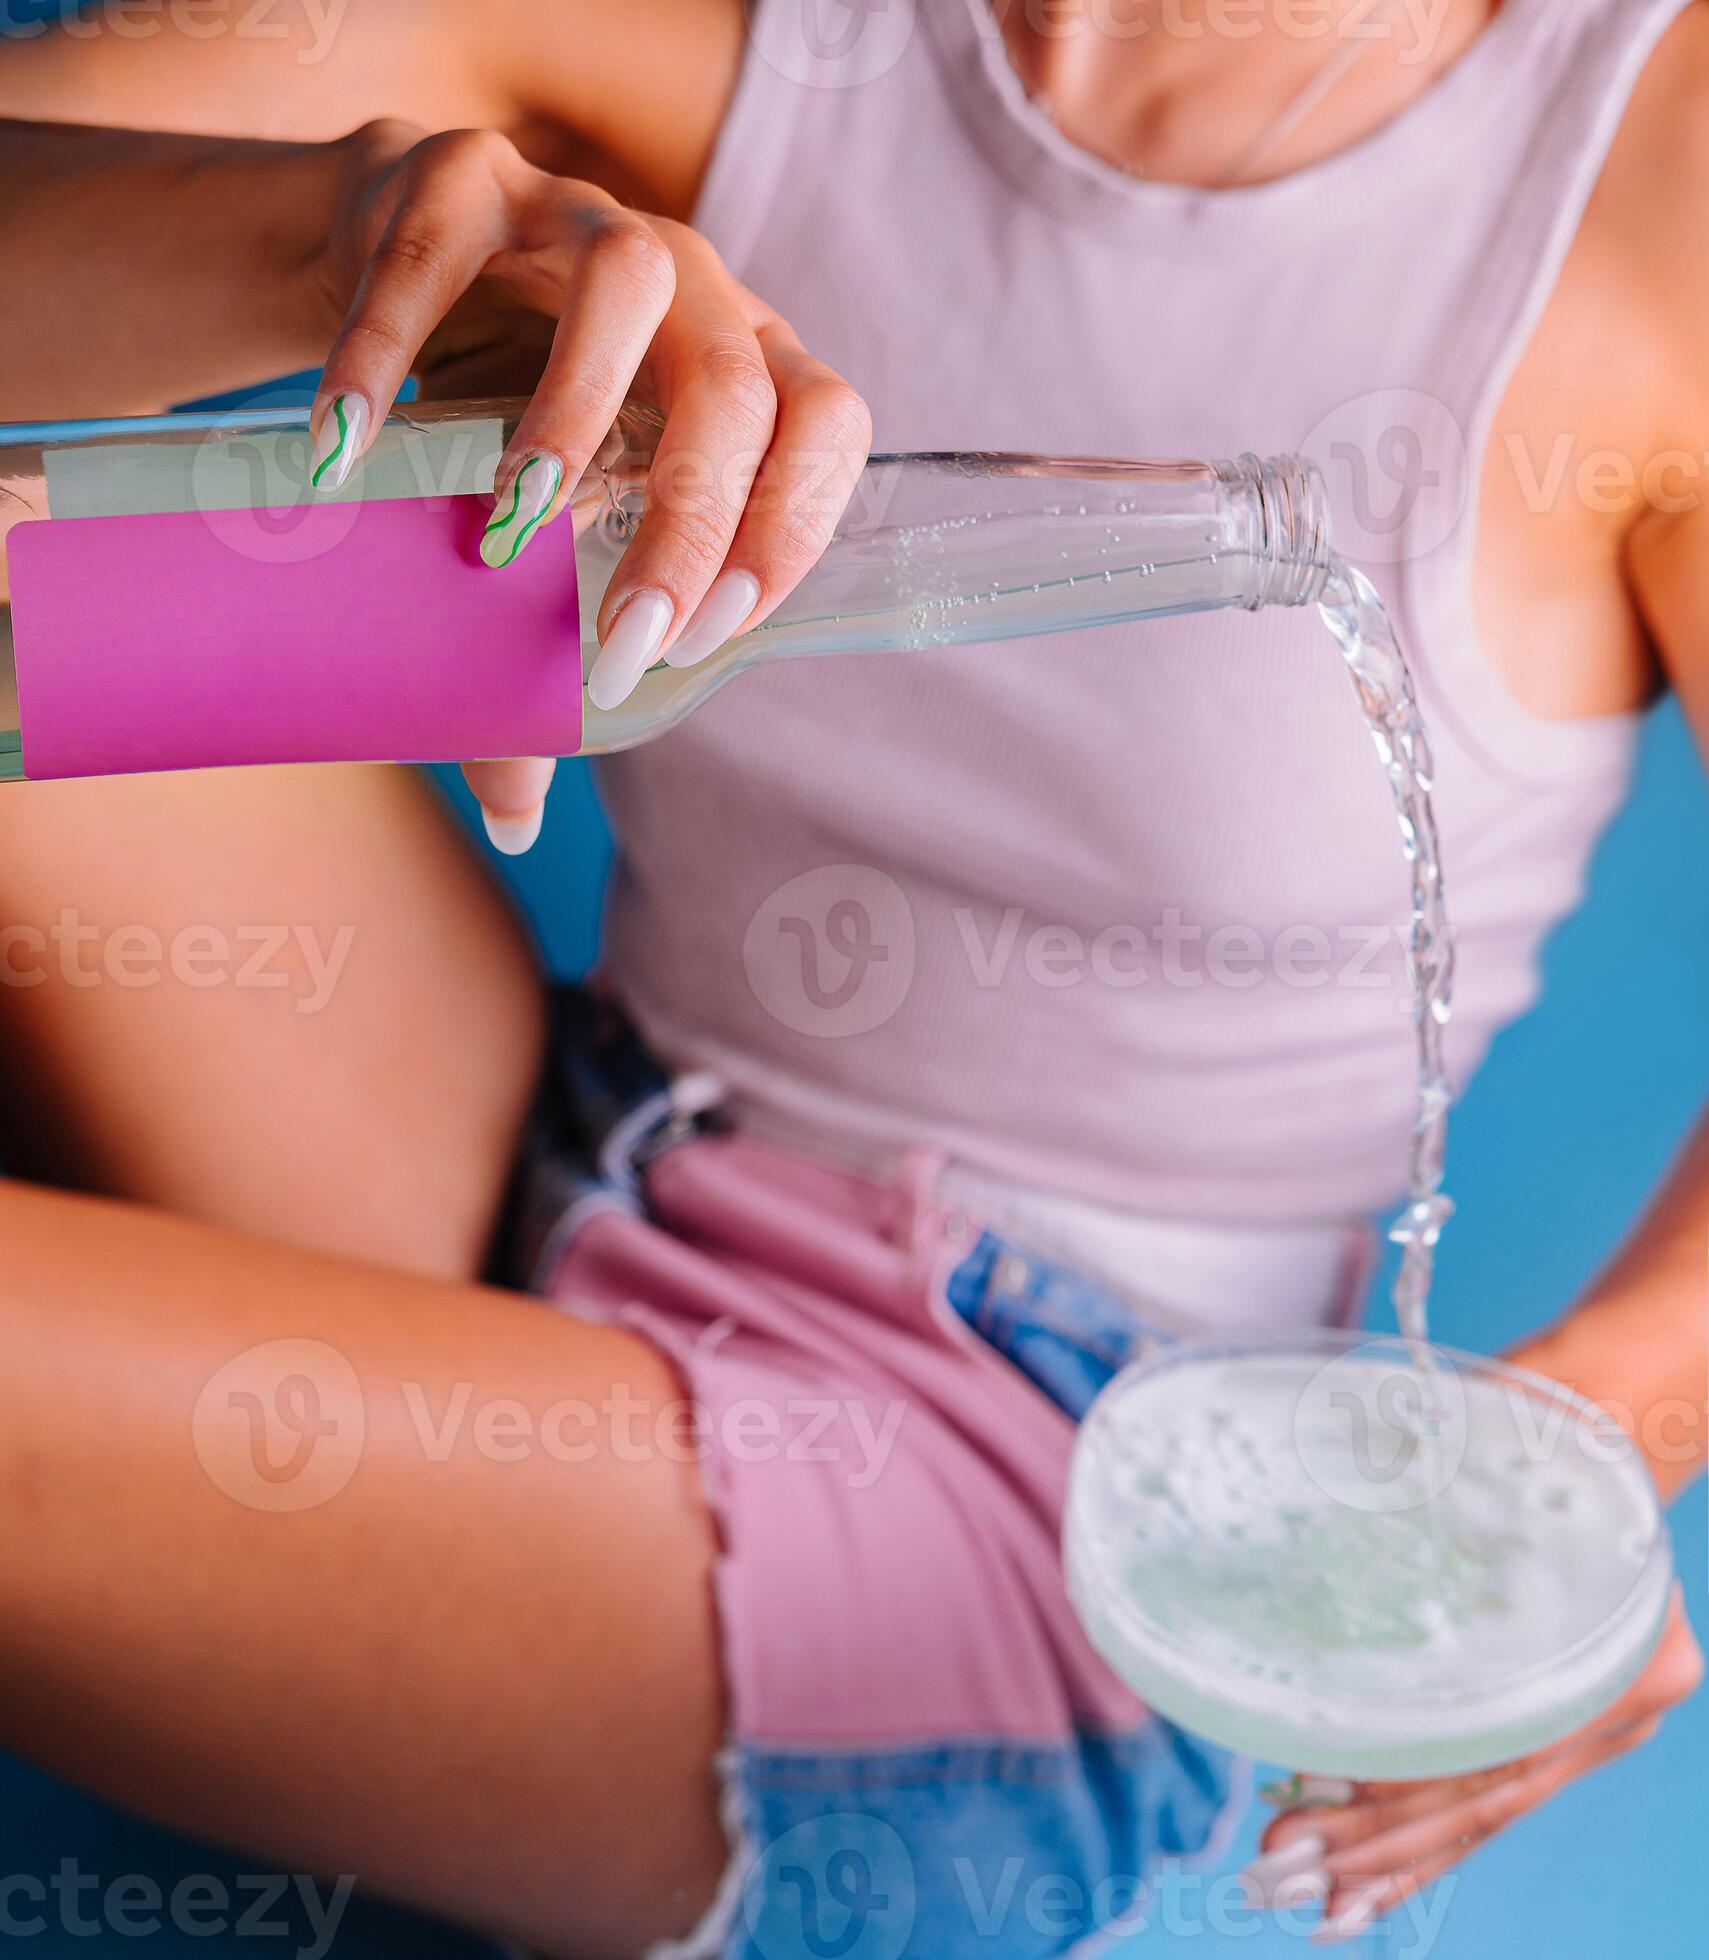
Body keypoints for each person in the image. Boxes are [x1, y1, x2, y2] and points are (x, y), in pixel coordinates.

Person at [0, 1, 1703, 1952]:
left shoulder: (1653, 150)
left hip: (1034, 1500)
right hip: (560, 1142)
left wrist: (1593, 1436)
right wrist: (314, 229)